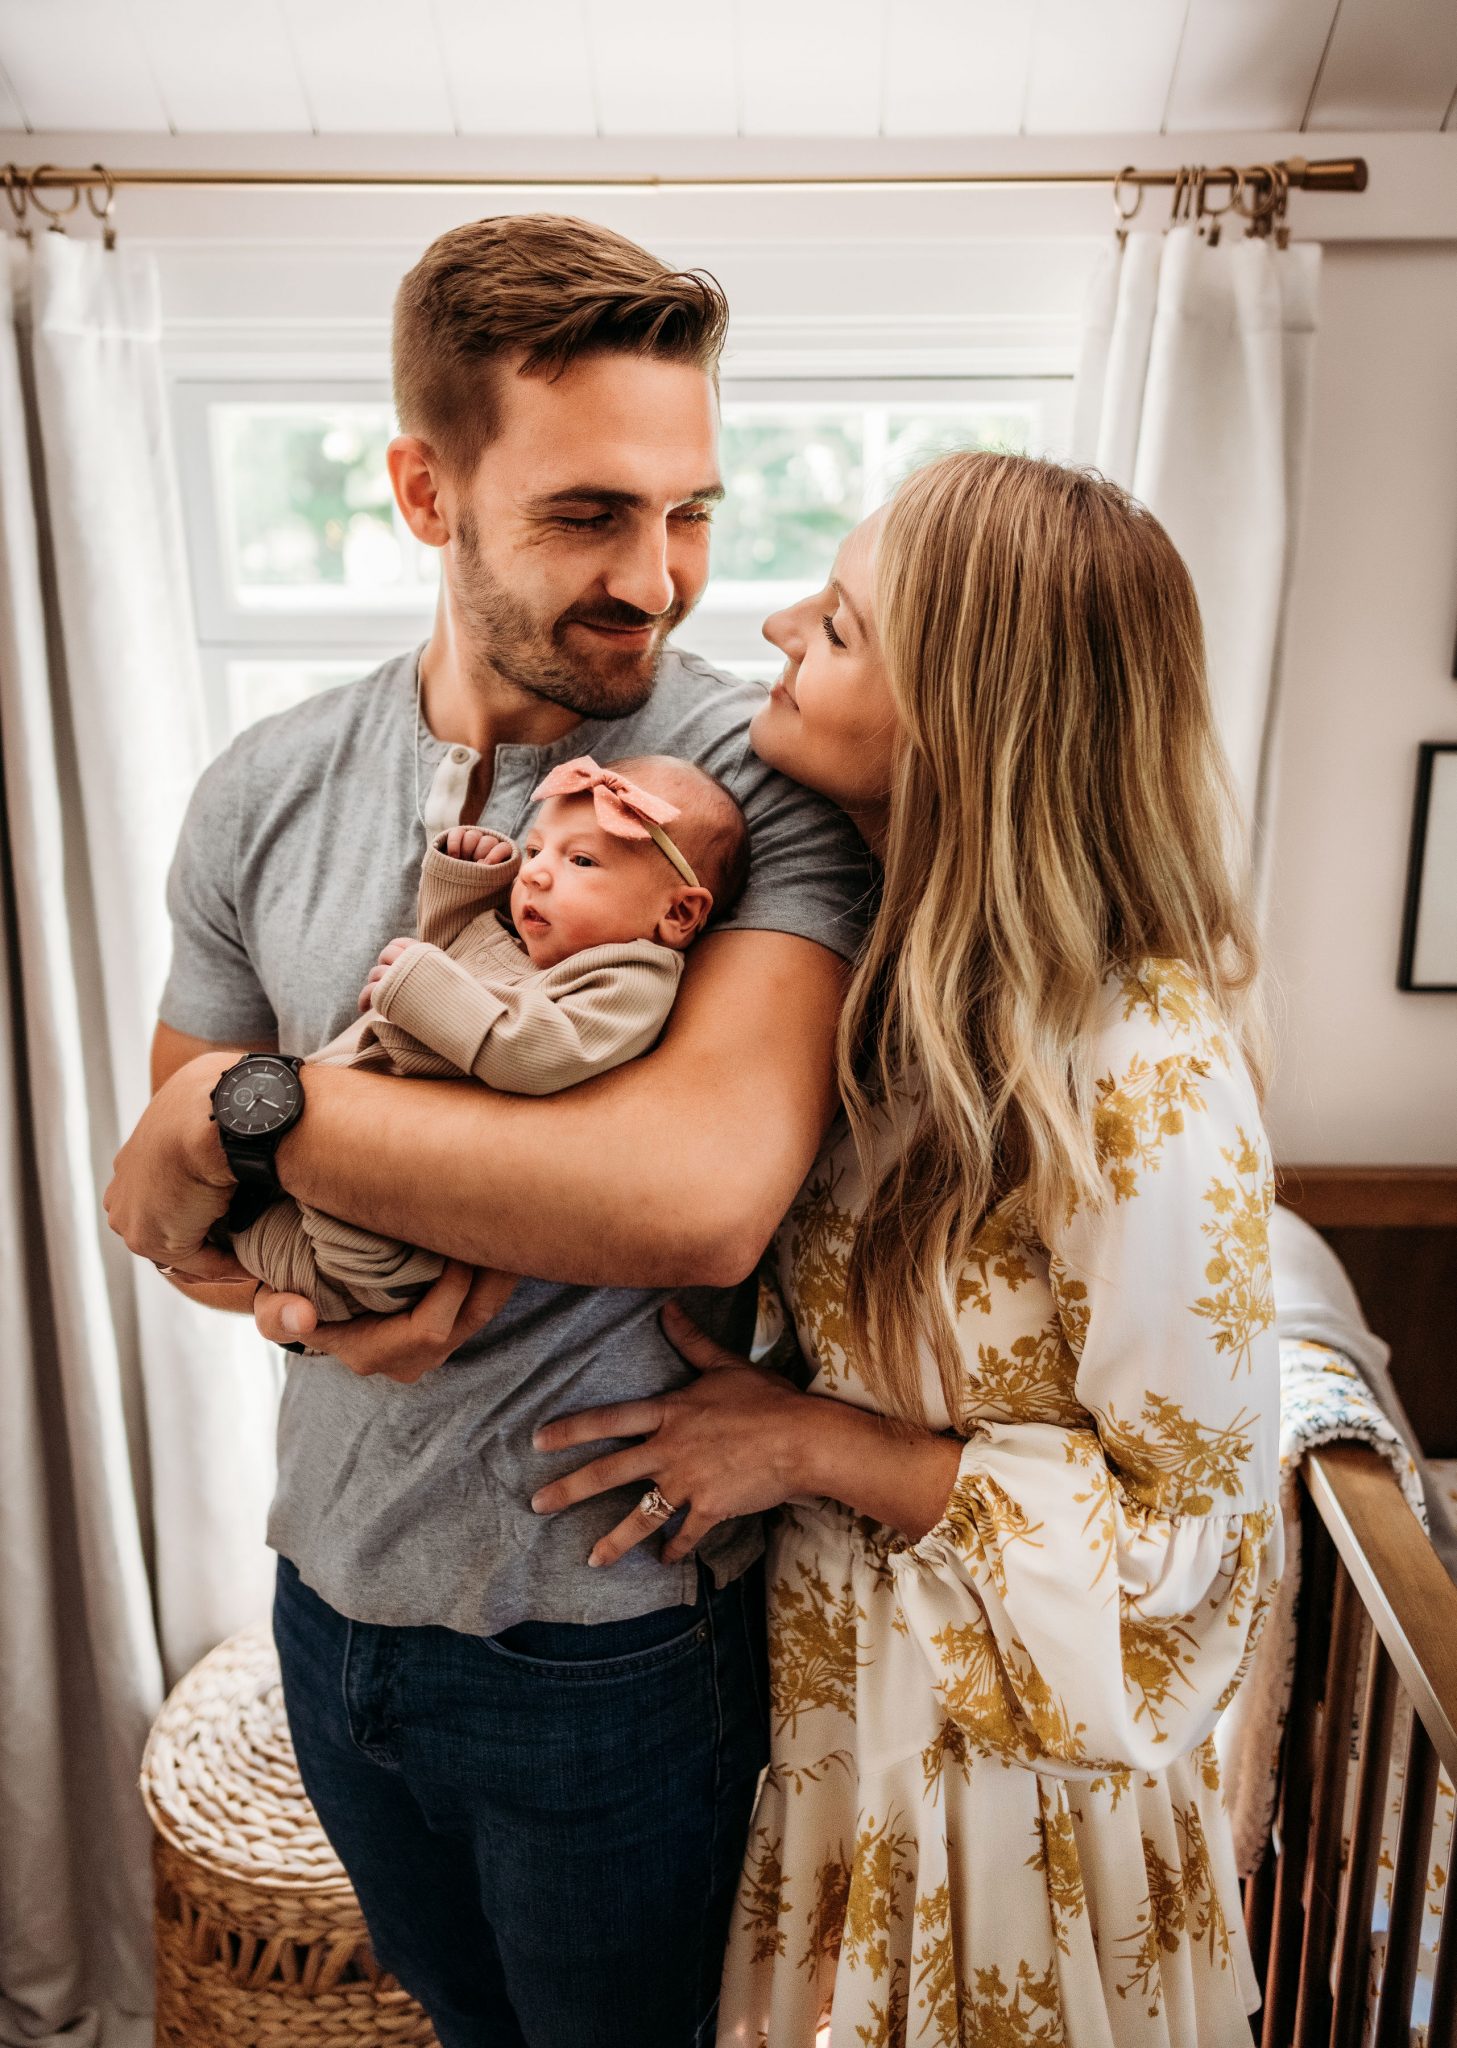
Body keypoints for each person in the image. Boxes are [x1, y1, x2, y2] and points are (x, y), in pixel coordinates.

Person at [104, 213, 870, 2048]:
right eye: (588, 513)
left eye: (688, 511)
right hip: (326, 1600)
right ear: (424, 491)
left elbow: (692, 1197)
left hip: (608, 1638)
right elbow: (162, 1207)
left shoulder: (755, 786)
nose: (657, 579)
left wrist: (256, 1105)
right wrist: (298, 1304)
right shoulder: (263, 788)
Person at [530, 452, 1282, 2046]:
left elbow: (1190, 1555)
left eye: (840, 627)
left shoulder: (1142, 1067)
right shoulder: (877, 976)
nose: (774, 626)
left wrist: (814, 1444)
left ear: (962, 726)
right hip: (835, 1741)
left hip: (1018, 1822)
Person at [231, 752, 749, 1322]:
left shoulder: (631, 980)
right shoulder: (530, 947)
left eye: (580, 859)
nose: (534, 874)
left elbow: (534, 1052)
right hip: (324, 1146)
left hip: (378, 1232)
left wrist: (419, 983)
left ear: (678, 913)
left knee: (277, 1237)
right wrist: (464, 885)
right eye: (535, 850)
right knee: (236, 1217)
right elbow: (457, 964)